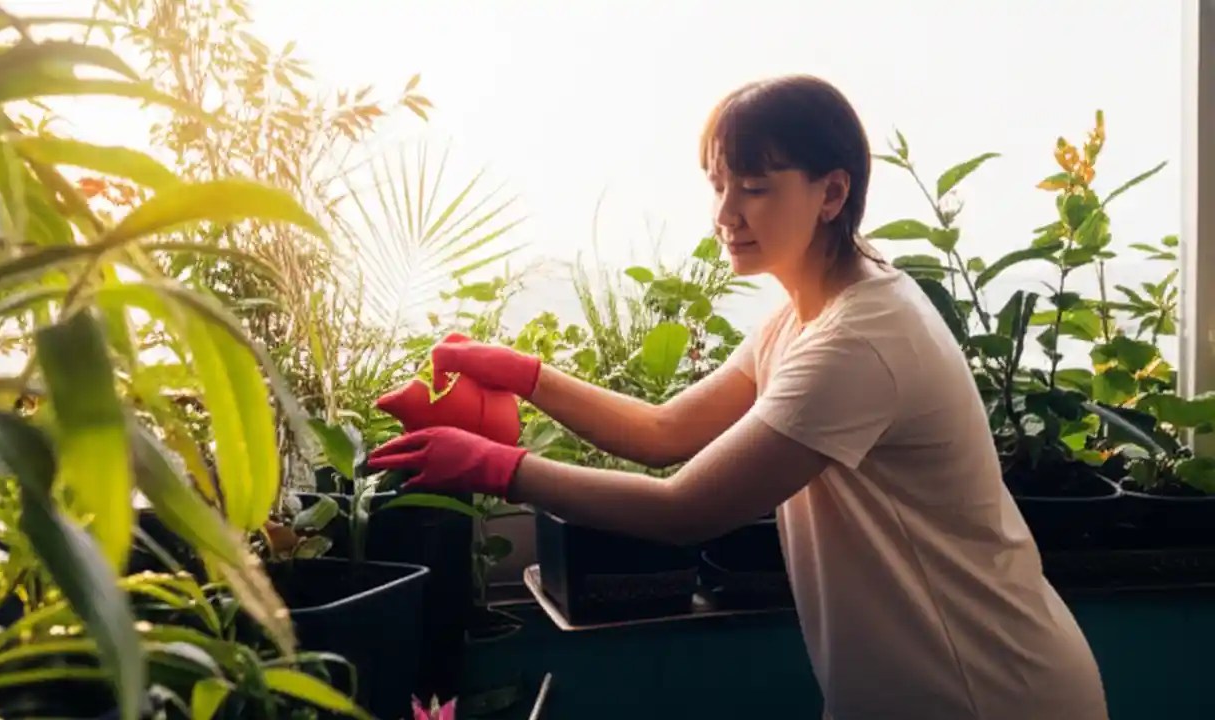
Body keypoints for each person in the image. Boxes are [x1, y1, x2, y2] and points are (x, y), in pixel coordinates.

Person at [368, 74, 1109, 720]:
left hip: (985, 689)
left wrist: (496, 467)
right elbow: (665, 430)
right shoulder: (806, 316)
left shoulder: (861, 340)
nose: (726, 213)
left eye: (755, 187)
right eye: (719, 184)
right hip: (912, 686)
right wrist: (529, 376)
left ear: (833, 192)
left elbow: (687, 508)